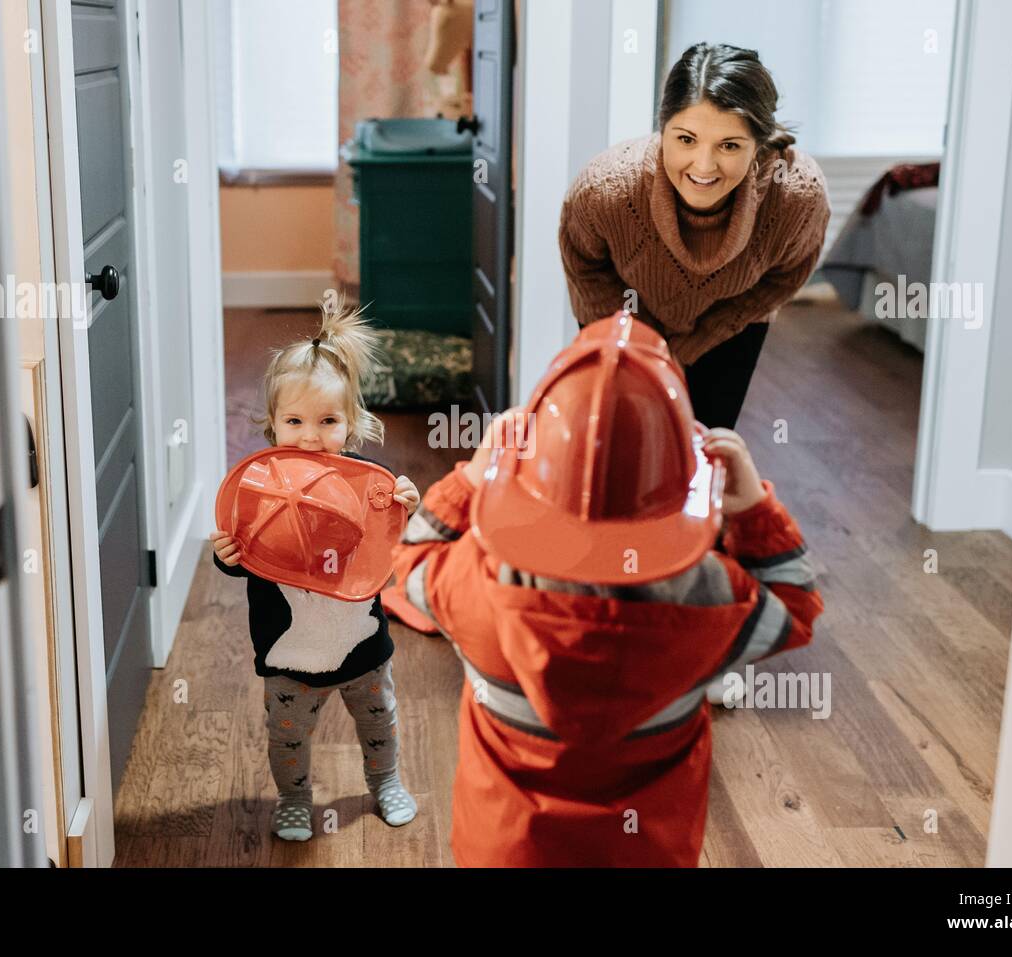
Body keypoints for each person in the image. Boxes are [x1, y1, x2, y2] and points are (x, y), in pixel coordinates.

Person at [390, 312, 824, 866]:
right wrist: (753, 507)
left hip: (504, 852)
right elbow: (795, 607)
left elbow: (410, 557)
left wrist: (472, 478)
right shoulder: (711, 601)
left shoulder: (478, 584)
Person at [211, 298, 422, 842]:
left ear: (352, 422)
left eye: (328, 421)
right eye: (295, 421)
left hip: (362, 647)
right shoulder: (259, 494)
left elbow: (386, 544)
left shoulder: (368, 482)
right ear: (272, 423)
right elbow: (248, 557)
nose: (310, 435)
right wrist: (226, 556)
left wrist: (407, 505)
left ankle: (386, 782)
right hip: (287, 656)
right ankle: (294, 800)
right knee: (286, 736)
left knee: (379, 721)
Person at [559, 42, 831, 429]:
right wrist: (644, 343)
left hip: (728, 327)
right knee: (618, 442)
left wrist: (705, 337)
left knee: (705, 444)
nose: (704, 166)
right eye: (685, 139)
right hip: (624, 316)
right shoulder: (605, 189)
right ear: (662, 127)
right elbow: (585, 267)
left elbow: (787, 275)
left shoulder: (797, 197)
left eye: (730, 145)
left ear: (758, 144)